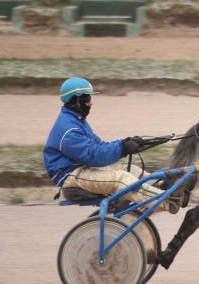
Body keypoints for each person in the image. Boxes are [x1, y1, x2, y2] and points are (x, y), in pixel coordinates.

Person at [43, 77, 187, 214]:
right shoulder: (69, 130)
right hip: (70, 174)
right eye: (87, 98)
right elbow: (95, 155)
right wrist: (122, 148)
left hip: (81, 167)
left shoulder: (76, 120)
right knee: (121, 179)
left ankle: (160, 185)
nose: (90, 103)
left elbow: (99, 145)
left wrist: (125, 143)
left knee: (127, 168)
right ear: (75, 100)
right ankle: (167, 201)